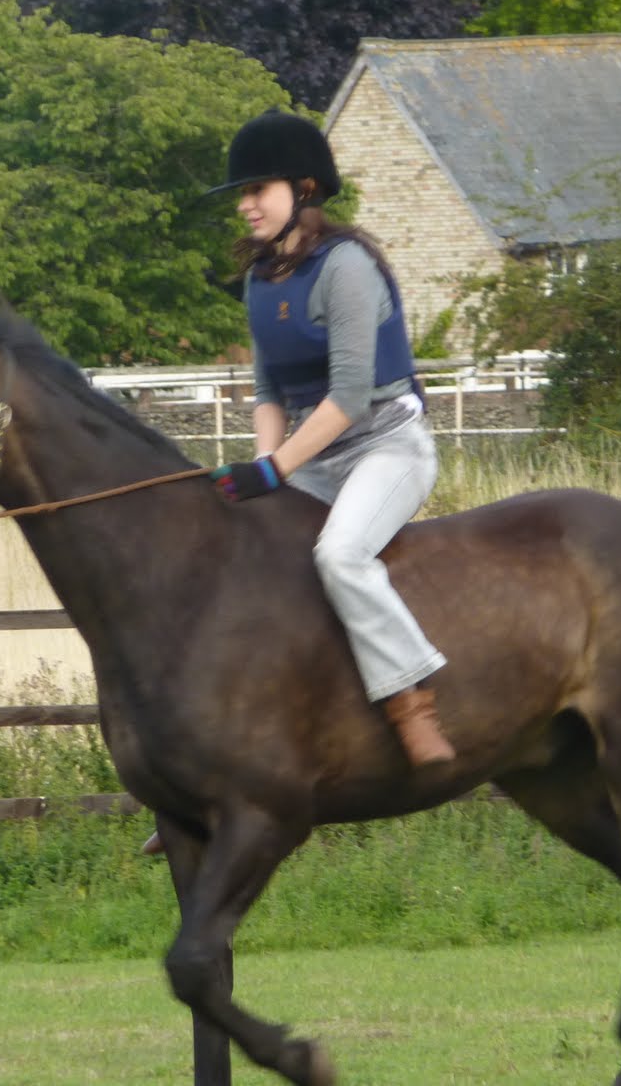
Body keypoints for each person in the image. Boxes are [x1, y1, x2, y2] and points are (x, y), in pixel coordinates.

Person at [141, 111, 454, 856]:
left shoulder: (346, 267)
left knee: (340, 555)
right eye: (241, 194)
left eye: (259, 190)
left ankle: (413, 704)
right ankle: (204, 775)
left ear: (303, 188)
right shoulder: (260, 275)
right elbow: (270, 393)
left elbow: (349, 398)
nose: (246, 204)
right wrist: (262, 475)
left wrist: (275, 469)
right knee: (239, 555)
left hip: (387, 445)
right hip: (313, 457)